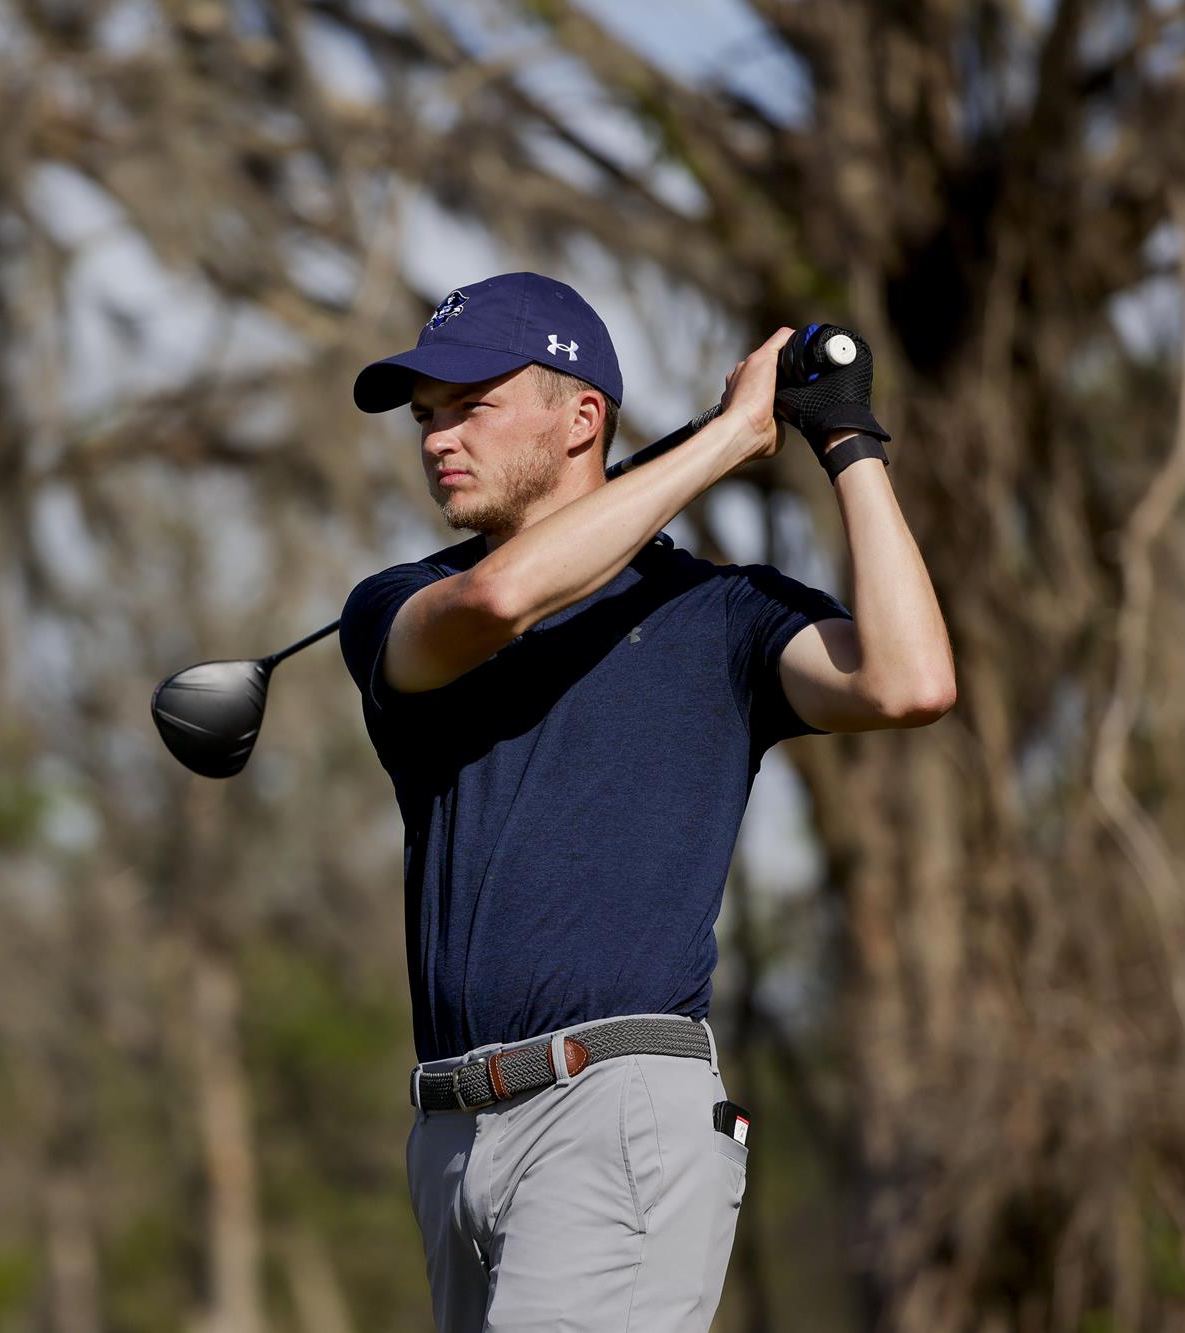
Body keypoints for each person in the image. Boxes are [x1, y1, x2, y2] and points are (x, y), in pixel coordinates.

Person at [337, 272, 954, 1331]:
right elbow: (500, 597)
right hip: (448, 1134)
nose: (437, 438)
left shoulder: (718, 615)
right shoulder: (400, 608)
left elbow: (908, 681)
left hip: (613, 1106)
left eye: (470, 406)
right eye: (425, 416)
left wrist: (846, 442)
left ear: (581, 417)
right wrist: (722, 438)